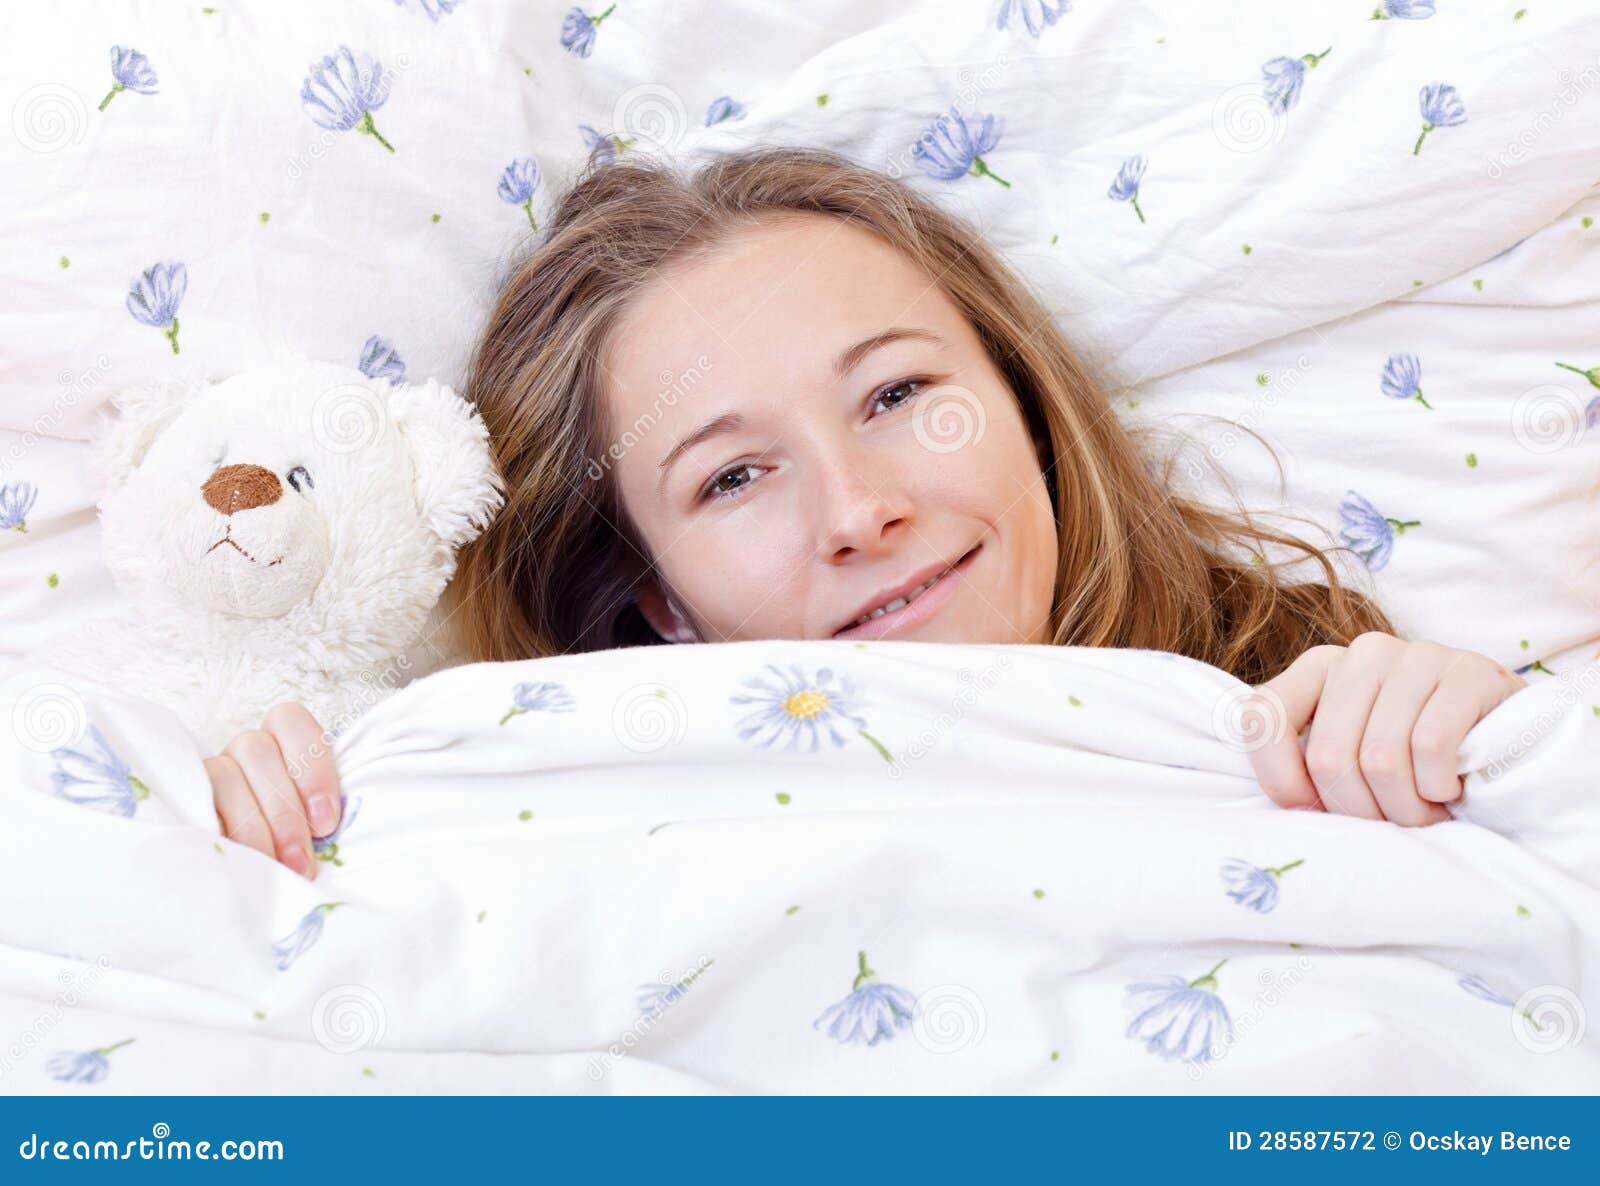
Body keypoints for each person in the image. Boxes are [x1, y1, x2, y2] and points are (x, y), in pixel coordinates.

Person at [207, 147, 1527, 878]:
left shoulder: (1315, 711)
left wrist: (1480, 737)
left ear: (1025, 405)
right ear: (663, 602)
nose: (862, 510)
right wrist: (267, 822)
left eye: (898, 393)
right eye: (731, 477)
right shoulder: (543, 828)